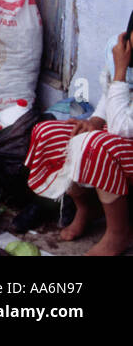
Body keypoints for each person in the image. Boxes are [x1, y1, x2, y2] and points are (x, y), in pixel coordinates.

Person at [25, 25, 133, 256]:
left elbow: (122, 129)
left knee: (94, 146)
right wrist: (95, 120)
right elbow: (110, 91)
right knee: (49, 133)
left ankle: (119, 234)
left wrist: (121, 71)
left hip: (126, 132)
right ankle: (87, 207)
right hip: (119, 125)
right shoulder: (120, 46)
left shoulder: (123, 62)